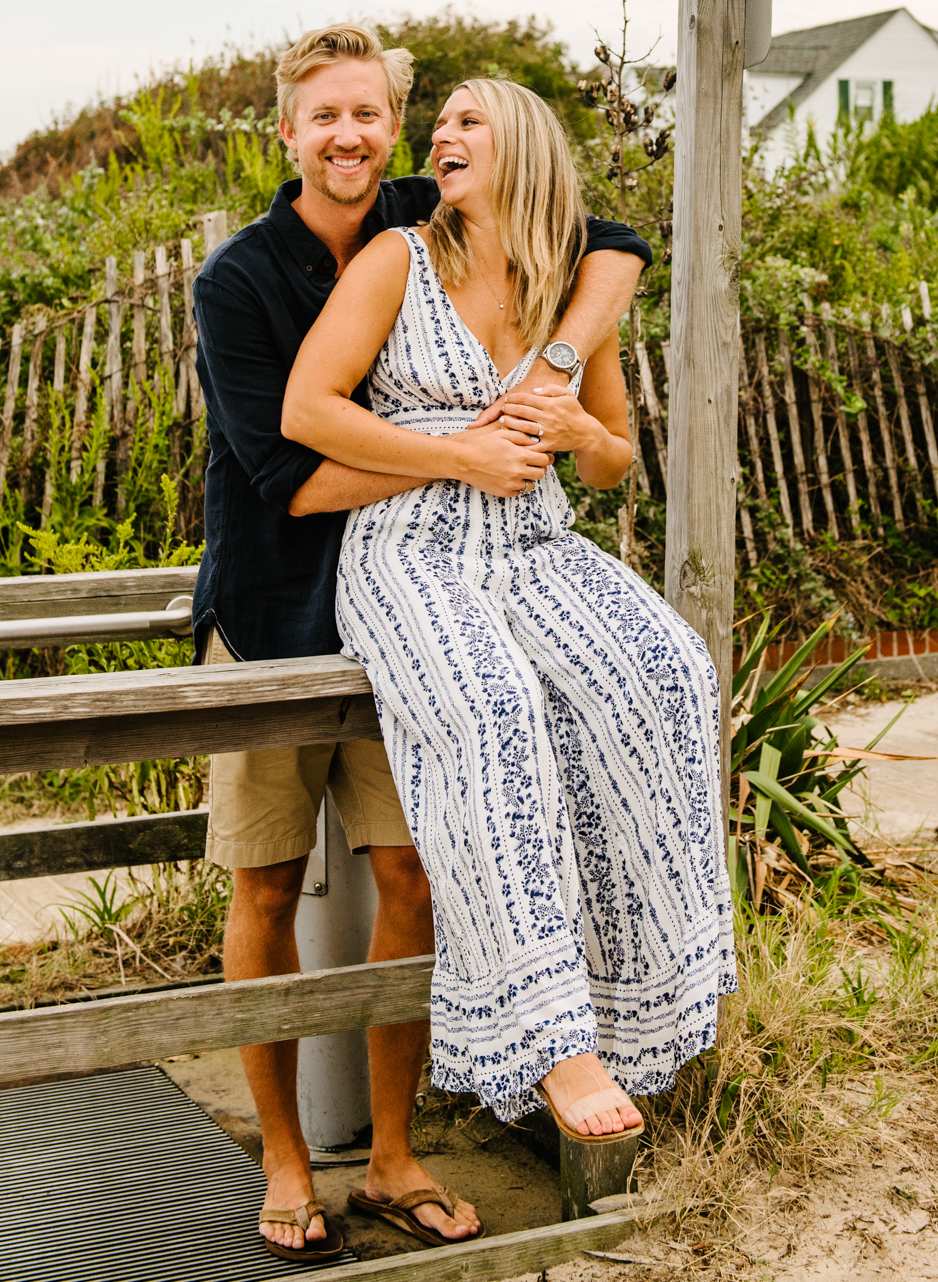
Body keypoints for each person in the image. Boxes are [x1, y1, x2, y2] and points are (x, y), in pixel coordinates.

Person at [190, 25, 650, 1258]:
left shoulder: (420, 212)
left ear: (391, 126)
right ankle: (287, 1156)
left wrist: (550, 365)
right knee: (267, 881)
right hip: (279, 612)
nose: (351, 136)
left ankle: (392, 1153)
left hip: (424, 611)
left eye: (370, 114)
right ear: (286, 132)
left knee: (416, 872)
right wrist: (464, 451)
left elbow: (611, 246)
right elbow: (286, 470)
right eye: (324, 115)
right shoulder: (238, 281)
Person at [283, 76, 735, 1156]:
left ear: (523, 147)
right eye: (437, 124)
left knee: (669, 669)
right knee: (492, 711)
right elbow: (309, 409)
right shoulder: (399, 258)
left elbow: (617, 462)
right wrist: (454, 453)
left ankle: (641, 996)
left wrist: (577, 418)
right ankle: (549, 1036)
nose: (442, 135)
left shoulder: (571, 293)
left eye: (467, 121)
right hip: (410, 547)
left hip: (534, 541)